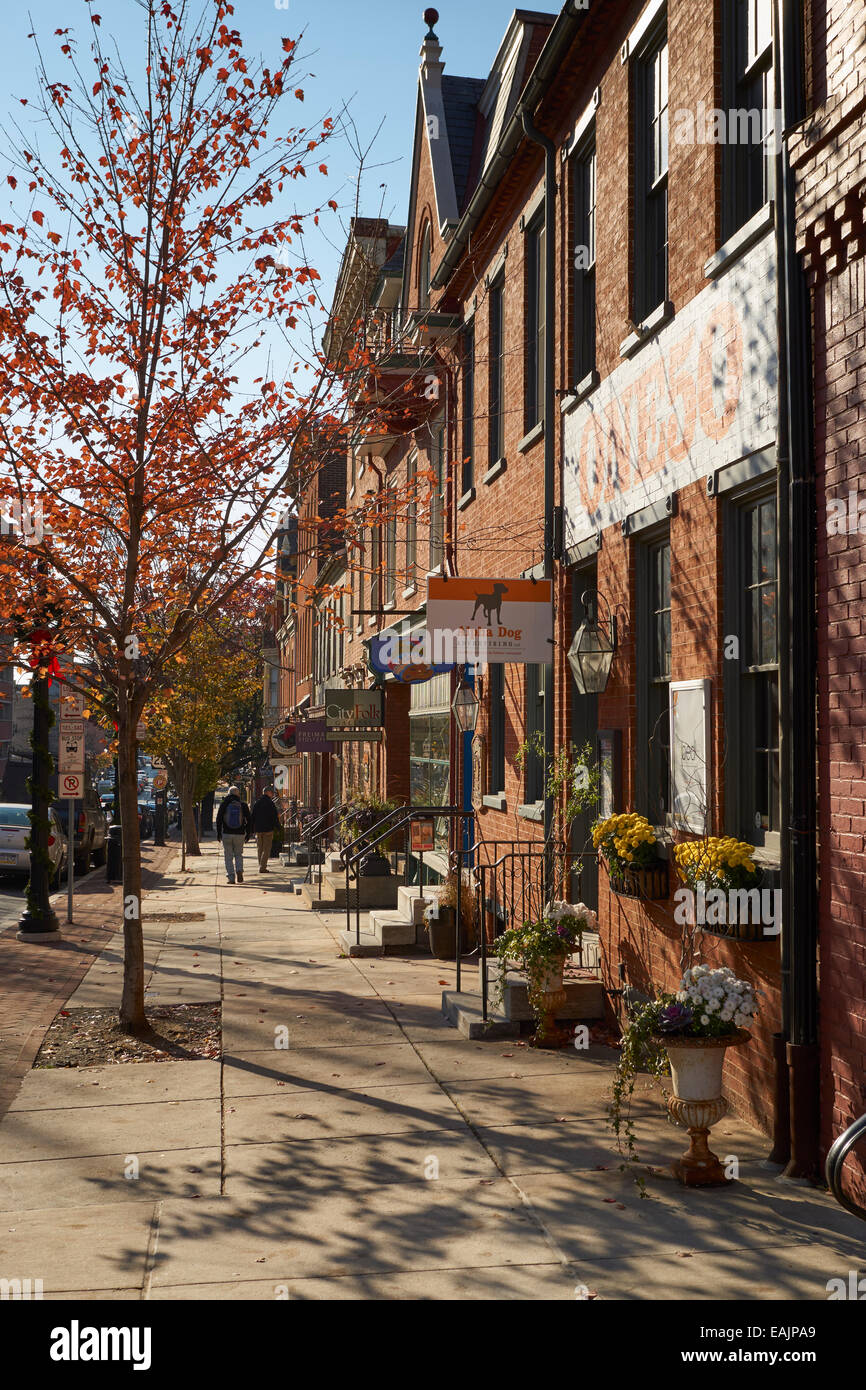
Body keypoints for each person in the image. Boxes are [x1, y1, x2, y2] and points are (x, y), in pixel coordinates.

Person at [216, 785, 251, 883]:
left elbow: (219, 819)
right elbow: (249, 820)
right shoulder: (243, 804)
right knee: (238, 854)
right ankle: (239, 870)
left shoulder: (224, 804)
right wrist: (248, 833)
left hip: (227, 833)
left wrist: (219, 833)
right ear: (238, 794)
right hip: (240, 833)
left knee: (228, 856)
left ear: (228, 793)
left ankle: (231, 876)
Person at [250, 785, 280, 872]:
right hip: (268, 829)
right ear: (268, 793)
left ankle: (261, 865)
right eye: (271, 793)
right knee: (266, 849)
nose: (272, 795)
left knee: (260, 848)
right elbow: (274, 817)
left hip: (258, 829)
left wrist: (252, 829)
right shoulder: (270, 803)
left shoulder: (257, 803)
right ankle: (262, 867)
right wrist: (278, 827)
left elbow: (253, 816)